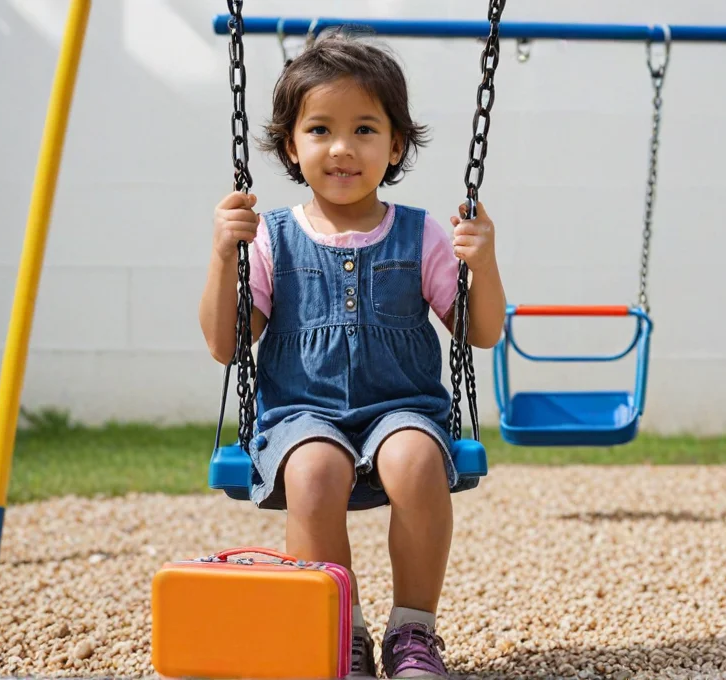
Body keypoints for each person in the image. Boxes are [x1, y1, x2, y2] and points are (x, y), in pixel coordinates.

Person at [198, 29, 506, 679]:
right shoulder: (271, 238)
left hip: (402, 410)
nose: (342, 148)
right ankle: (341, 631)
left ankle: (413, 632)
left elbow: (480, 333)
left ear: (395, 146)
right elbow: (226, 343)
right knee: (313, 472)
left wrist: (485, 263)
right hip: (300, 417)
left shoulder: (421, 234)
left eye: (365, 129)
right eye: (320, 129)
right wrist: (224, 255)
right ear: (291, 145)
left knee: (417, 460)